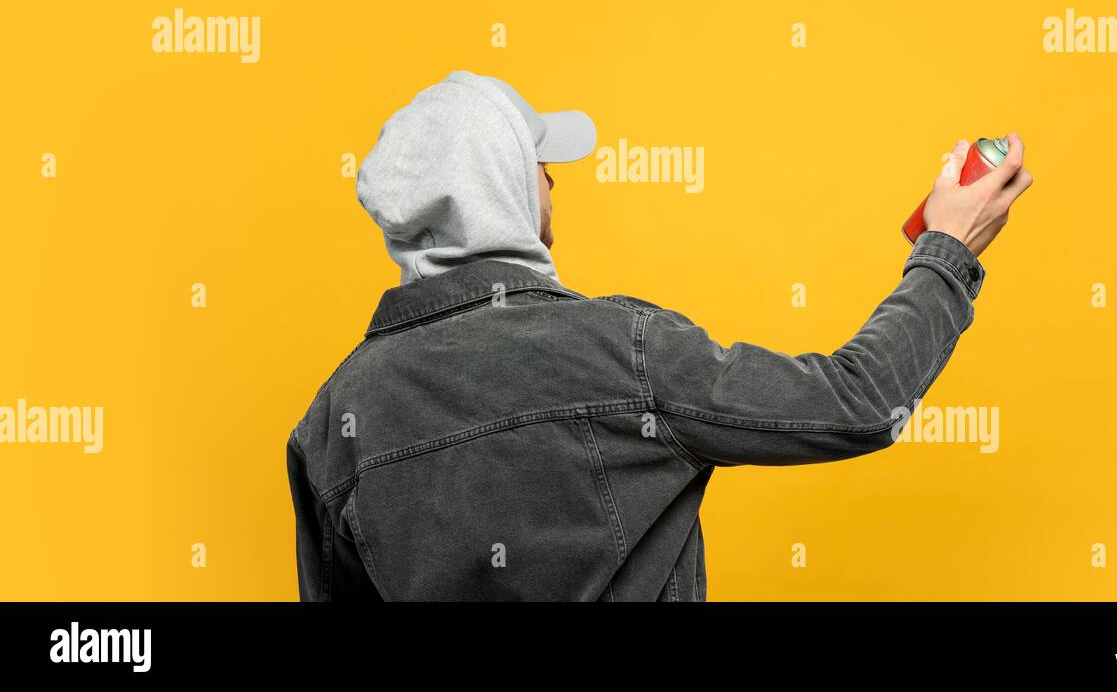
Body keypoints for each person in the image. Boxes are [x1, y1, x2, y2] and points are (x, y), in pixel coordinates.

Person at [286, 70, 1032, 600]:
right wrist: (949, 245)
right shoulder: (624, 353)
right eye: (538, 163)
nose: (553, 180)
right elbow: (858, 399)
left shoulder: (331, 421)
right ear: (505, 183)